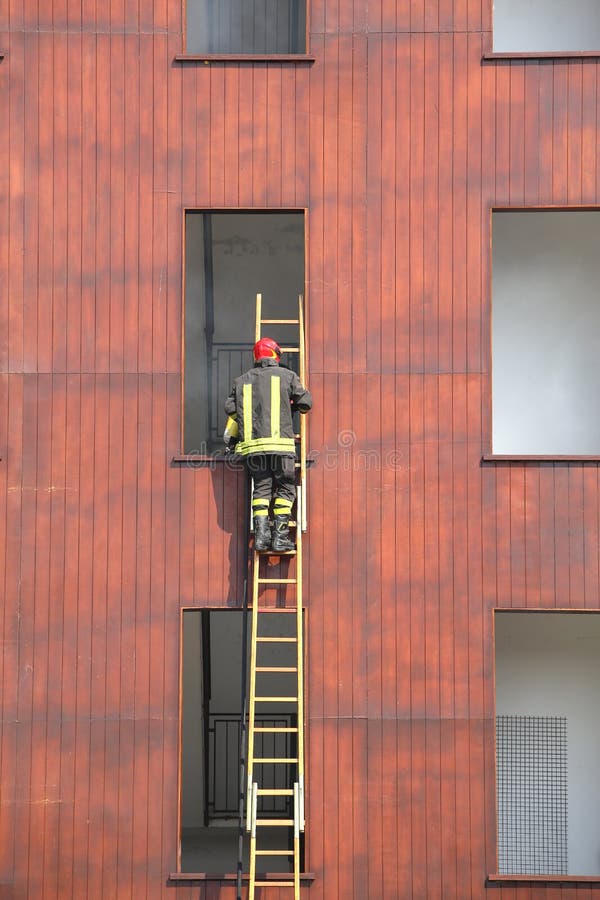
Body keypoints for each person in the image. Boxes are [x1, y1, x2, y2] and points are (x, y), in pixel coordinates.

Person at [224, 337, 312, 552]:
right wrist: (289, 402)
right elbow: (306, 404)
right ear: (275, 354)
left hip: (253, 449)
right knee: (285, 487)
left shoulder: (241, 381)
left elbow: (231, 409)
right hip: (281, 446)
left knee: (261, 490)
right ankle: (280, 538)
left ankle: (262, 539)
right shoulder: (287, 376)